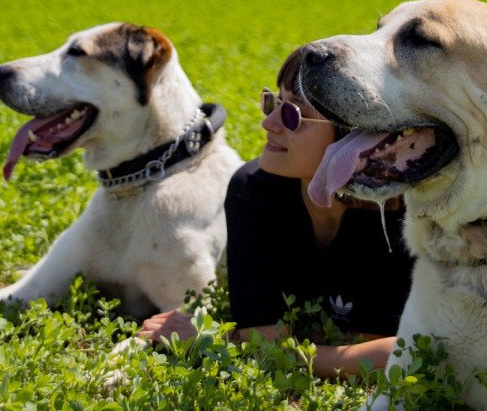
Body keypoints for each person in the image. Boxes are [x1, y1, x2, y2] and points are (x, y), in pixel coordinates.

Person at [137, 48, 415, 378]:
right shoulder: (253, 191)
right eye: (273, 102)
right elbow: (267, 342)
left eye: (293, 115)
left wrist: (222, 339)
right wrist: (274, 344)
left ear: (351, 136)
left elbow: (402, 350)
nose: (268, 123)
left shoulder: (401, 217)